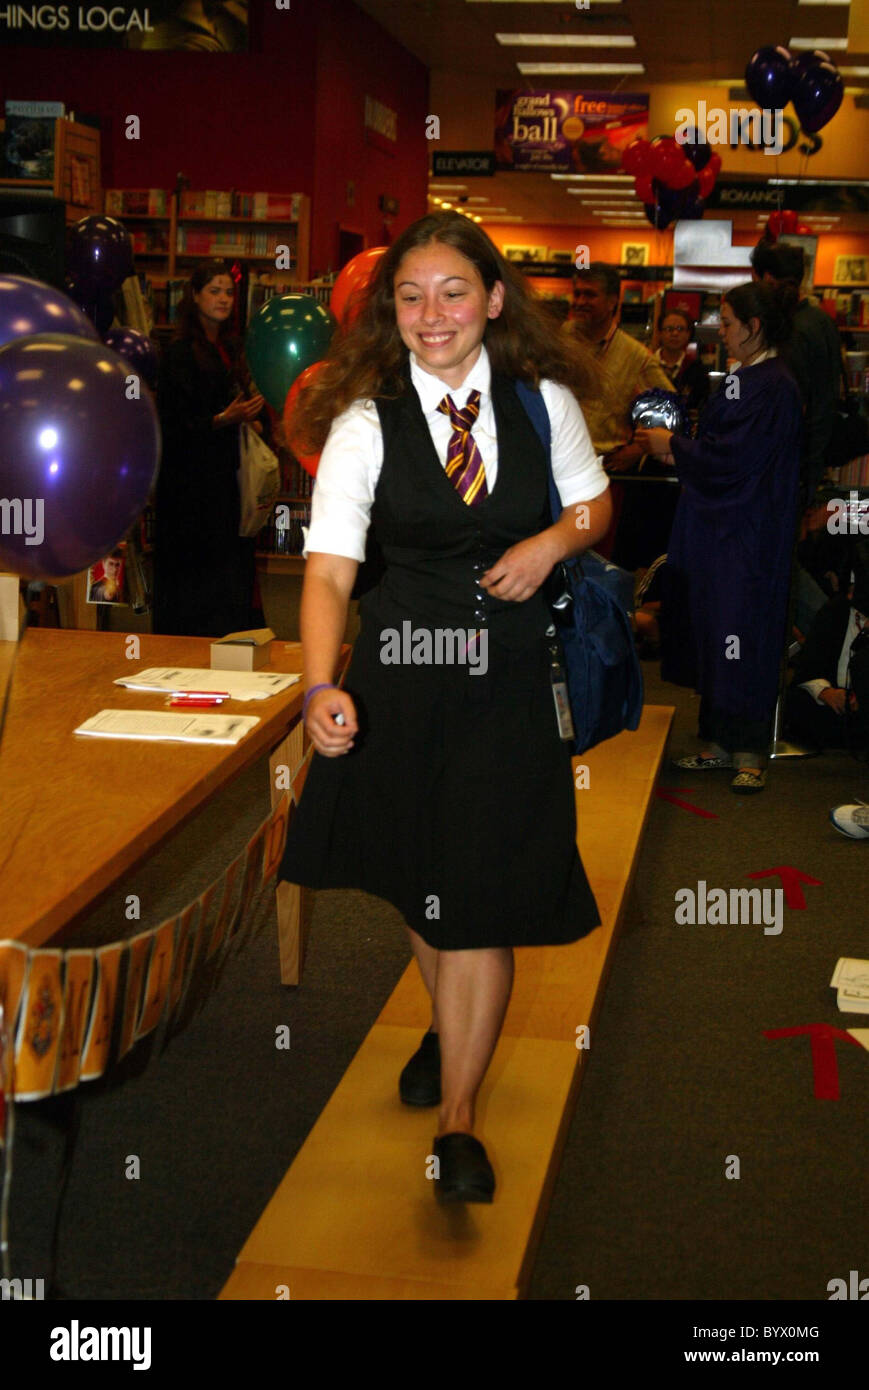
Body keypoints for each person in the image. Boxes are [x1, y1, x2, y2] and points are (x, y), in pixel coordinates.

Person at [279, 211, 612, 1204]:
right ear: (390, 311)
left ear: (493, 299)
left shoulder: (539, 400)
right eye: (410, 296)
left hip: (507, 681)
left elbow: (595, 505)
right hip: (401, 679)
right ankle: (444, 1021)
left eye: (452, 291)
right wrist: (319, 684)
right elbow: (330, 572)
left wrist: (552, 543)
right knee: (425, 880)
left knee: (481, 899)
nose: (431, 315)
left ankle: (458, 1118)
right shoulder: (361, 420)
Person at [636, 281, 803, 794]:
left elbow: (733, 459)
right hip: (720, 528)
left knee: (741, 631)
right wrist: (680, 446)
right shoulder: (748, 376)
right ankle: (718, 742)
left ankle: (749, 745)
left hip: (746, 533)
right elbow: (720, 445)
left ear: (754, 328)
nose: (721, 332)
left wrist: (675, 447)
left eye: (729, 324)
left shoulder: (773, 384)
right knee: (715, 628)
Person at [153, 260, 265, 637]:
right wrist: (222, 419)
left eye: (229, 292)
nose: (223, 299)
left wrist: (251, 416)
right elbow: (172, 424)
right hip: (189, 486)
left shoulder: (232, 347)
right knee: (194, 580)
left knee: (228, 572)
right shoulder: (179, 352)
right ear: (196, 296)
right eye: (214, 291)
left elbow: (238, 401)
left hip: (226, 478)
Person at [565, 263, 673, 568]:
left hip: (604, 476)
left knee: (595, 563)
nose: (580, 301)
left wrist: (638, 448)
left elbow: (671, 411)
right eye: (577, 293)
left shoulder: (635, 355)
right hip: (556, 469)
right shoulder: (560, 340)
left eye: (590, 294)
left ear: (613, 301)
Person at [750, 239, 842, 505]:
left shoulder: (787, 329)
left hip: (789, 466)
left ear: (766, 278)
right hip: (814, 457)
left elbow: (790, 405)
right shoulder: (821, 320)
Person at [785, 544, 869, 754]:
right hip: (838, 700)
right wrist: (826, 692)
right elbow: (809, 666)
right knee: (797, 703)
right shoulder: (835, 611)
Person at [654, 308, 710, 420]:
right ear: (660, 333)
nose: (675, 333)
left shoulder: (697, 370)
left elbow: (702, 407)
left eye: (680, 329)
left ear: (688, 334)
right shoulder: (647, 364)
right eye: (669, 329)